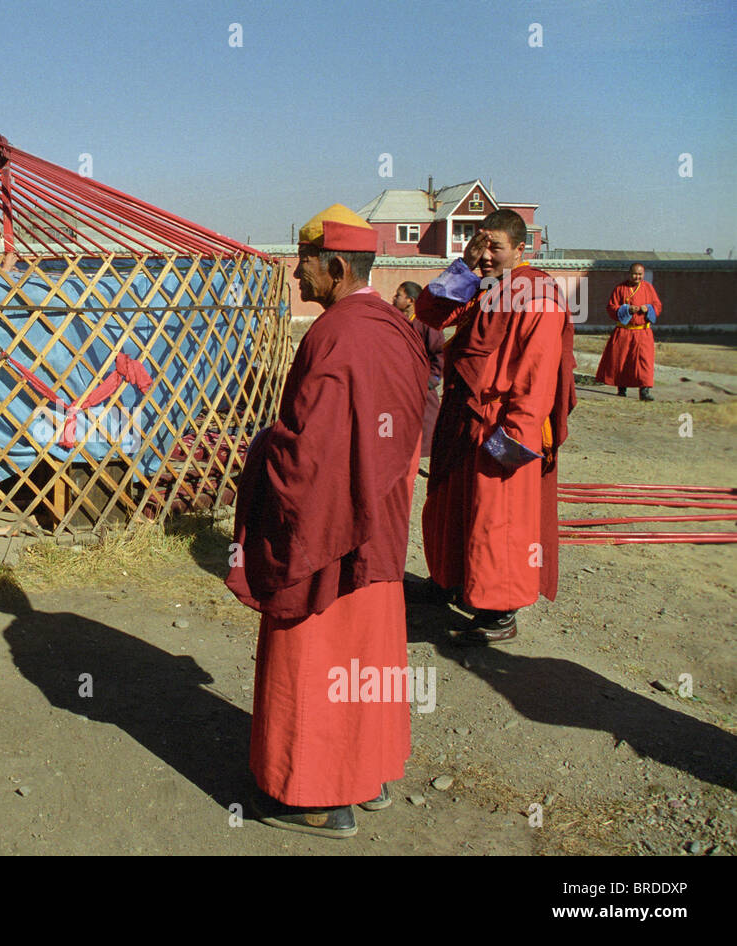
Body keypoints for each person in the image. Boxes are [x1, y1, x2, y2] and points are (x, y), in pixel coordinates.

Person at [225, 204, 429, 838]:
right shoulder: (396, 328)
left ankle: (317, 795)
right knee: (367, 661)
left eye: (305, 266)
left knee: (318, 657)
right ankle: (369, 777)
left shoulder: (335, 335)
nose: (296, 278)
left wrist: (262, 451)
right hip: (382, 526)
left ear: (336, 266)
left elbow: (309, 455)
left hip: (329, 532)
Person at [410, 209, 576, 645]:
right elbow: (429, 312)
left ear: (522, 250)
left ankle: (499, 611)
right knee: (448, 502)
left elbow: (538, 372)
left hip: (500, 425)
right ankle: (445, 580)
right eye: (479, 245)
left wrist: (516, 436)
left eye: (494, 248)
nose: (485, 256)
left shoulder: (537, 293)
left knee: (496, 518)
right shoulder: (483, 286)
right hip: (462, 415)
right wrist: (463, 266)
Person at [392, 280, 445, 464]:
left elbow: (439, 353)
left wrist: (431, 381)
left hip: (422, 385)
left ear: (410, 300)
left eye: (398, 295)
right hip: (401, 385)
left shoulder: (427, 323)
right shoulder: (399, 322)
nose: (393, 298)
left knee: (426, 426)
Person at [595, 263, 661, 401]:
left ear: (643, 275)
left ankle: (644, 391)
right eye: (634, 274)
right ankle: (621, 388)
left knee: (645, 361)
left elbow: (657, 305)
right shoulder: (620, 288)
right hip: (624, 331)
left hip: (643, 331)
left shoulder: (648, 288)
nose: (637, 277)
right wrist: (627, 310)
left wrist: (647, 308)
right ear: (629, 273)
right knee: (622, 360)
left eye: (640, 274)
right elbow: (611, 307)